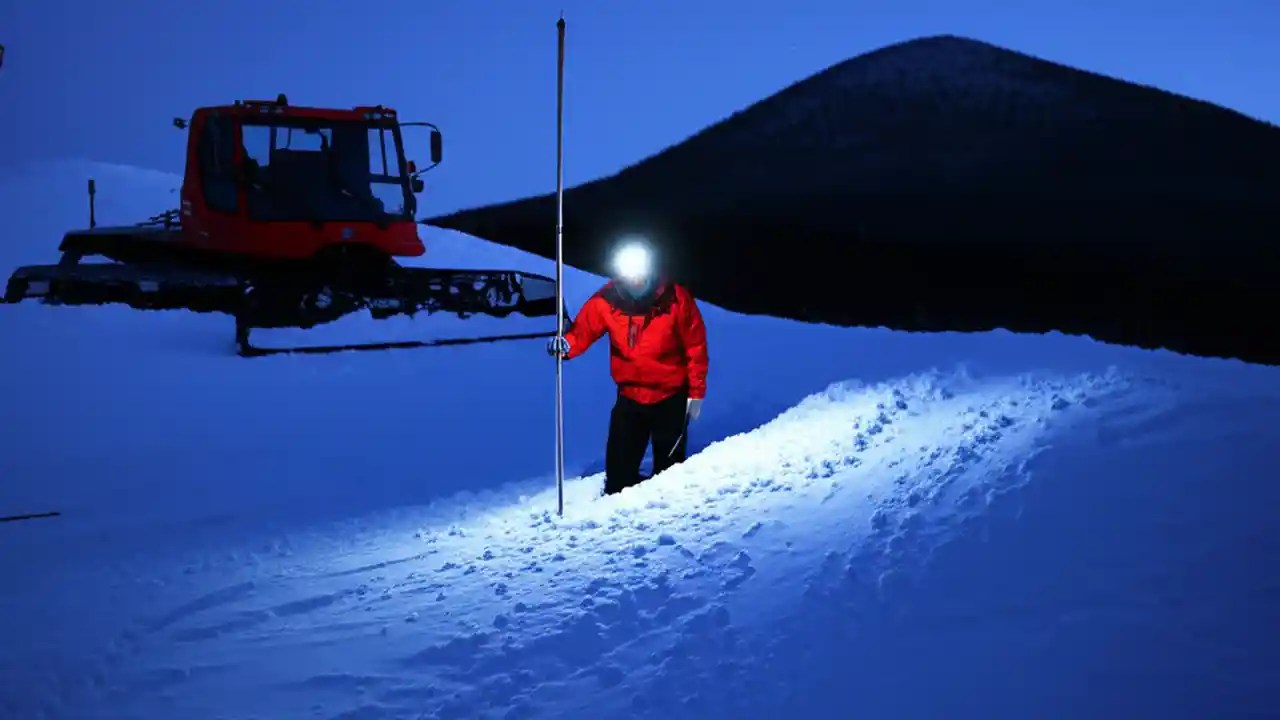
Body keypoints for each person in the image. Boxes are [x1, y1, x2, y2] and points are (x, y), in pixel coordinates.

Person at [548, 241, 708, 495]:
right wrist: (565, 346)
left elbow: (695, 347)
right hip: (630, 398)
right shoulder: (607, 300)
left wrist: (696, 393)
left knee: (669, 477)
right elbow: (582, 332)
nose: (634, 278)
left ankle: (664, 524)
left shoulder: (676, 299)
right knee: (618, 480)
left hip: (671, 397)